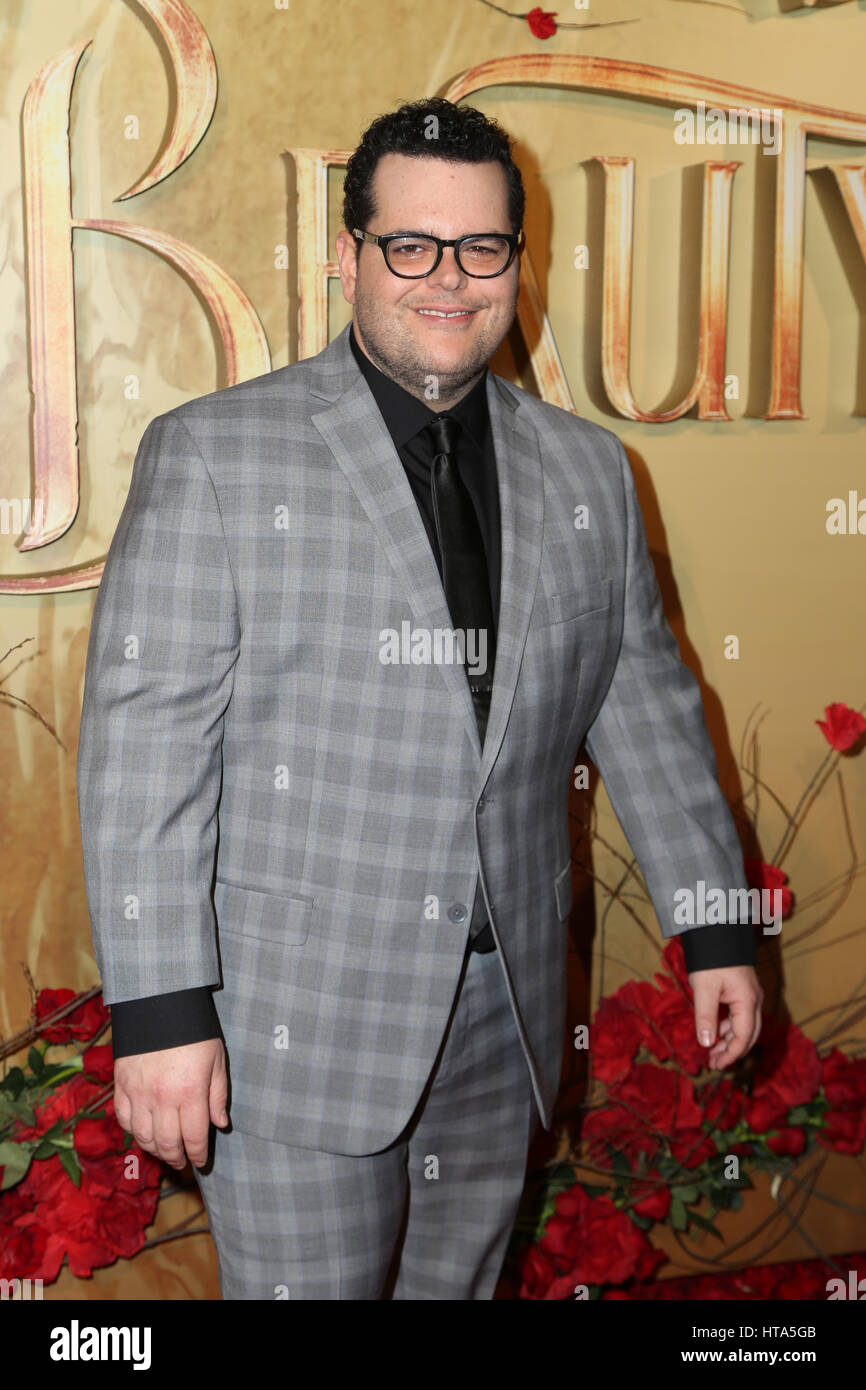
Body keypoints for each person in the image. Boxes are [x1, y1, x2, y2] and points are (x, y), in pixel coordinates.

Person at [76, 97, 763, 1300]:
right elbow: (145, 754)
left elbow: (645, 702)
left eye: (481, 247)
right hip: (289, 1031)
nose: (447, 279)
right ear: (349, 258)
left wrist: (711, 925)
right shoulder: (217, 455)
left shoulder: (588, 467)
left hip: (504, 1019)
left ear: (515, 260)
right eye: (410, 245)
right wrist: (160, 1012)